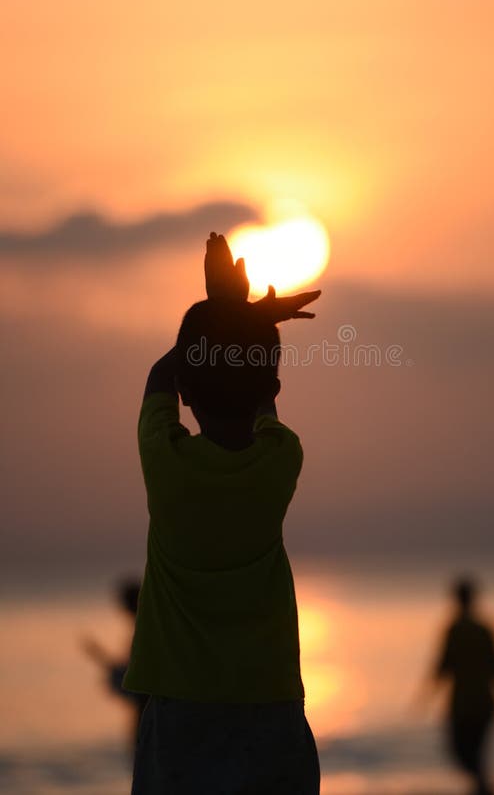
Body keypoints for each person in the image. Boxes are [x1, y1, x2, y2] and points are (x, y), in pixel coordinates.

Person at [123, 232, 322, 794]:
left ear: (185, 393)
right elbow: (260, 400)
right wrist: (241, 318)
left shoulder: (164, 461)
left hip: (181, 716)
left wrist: (229, 313)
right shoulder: (281, 459)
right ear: (273, 387)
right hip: (271, 706)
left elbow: (160, 374)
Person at [428, 577, 494, 795]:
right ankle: (484, 788)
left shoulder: (455, 630)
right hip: (484, 704)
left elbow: (441, 668)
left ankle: (484, 788)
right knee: (475, 756)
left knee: (462, 753)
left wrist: (425, 697)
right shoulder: (484, 630)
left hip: (463, 705)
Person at [82, 578, 149, 752]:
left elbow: (133, 676)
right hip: (148, 708)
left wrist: (100, 657)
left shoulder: (144, 631)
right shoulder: (144, 628)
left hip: (148, 708)